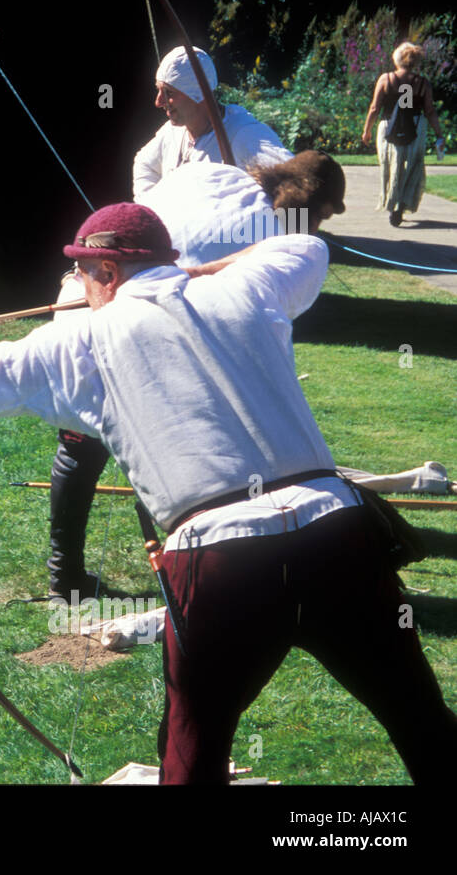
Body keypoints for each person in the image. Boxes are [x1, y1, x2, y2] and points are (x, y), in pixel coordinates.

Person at [0, 203, 457, 784]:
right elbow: (303, 248)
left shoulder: (81, 340)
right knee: (424, 725)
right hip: (339, 535)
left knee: (192, 759)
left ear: (106, 268)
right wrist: (204, 269)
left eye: (83, 274)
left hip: (220, 562)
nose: (80, 289)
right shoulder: (246, 288)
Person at [43, 152, 345, 602]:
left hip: (93, 287)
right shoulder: (276, 227)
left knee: (86, 445)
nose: (318, 226)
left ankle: (68, 578)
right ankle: (204, 573)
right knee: (168, 446)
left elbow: (139, 212)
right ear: (310, 205)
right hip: (117, 308)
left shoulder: (218, 174)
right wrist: (194, 273)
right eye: (321, 215)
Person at [133, 46, 292, 199]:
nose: (158, 101)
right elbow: (144, 164)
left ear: (198, 94)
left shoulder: (244, 135)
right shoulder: (172, 132)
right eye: (158, 90)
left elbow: (293, 183)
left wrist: (297, 226)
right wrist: (152, 208)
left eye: (168, 92)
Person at [361, 41, 445, 226]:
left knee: (391, 165)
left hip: (389, 126)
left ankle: (390, 202)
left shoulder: (386, 79)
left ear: (397, 59)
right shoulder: (423, 83)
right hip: (415, 127)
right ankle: (402, 205)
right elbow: (430, 111)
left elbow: (375, 107)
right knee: (411, 167)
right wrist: (439, 134)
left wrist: (367, 130)